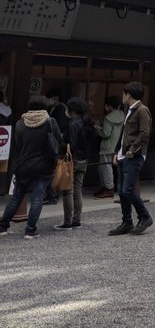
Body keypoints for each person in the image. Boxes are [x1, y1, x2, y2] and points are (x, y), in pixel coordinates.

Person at [0, 95, 62, 239]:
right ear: (45, 107)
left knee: (16, 197)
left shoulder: (20, 123)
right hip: (44, 166)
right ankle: (30, 230)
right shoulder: (50, 122)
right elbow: (58, 141)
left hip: (23, 165)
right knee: (37, 197)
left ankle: (3, 226)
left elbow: (18, 144)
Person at [109, 81, 154, 235]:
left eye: (124, 94)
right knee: (121, 191)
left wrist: (133, 150)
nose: (122, 96)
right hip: (123, 154)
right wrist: (117, 152)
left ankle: (145, 216)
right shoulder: (129, 110)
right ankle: (126, 221)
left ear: (129, 95)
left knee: (127, 190)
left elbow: (144, 133)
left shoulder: (142, 110)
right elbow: (123, 134)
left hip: (133, 155)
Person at [55, 97, 90, 230]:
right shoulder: (86, 122)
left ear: (72, 110)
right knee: (77, 190)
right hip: (83, 160)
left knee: (67, 191)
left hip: (72, 160)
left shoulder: (72, 124)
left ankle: (67, 221)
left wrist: (60, 141)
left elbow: (71, 145)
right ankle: (77, 220)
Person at [94, 95, 124, 199]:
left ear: (109, 106)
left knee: (105, 168)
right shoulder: (122, 115)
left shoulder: (108, 118)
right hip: (115, 146)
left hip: (107, 146)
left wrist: (97, 128)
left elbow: (105, 134)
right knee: (107, 168)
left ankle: (108, 188)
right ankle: (107, 187)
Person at [43, 87, 69, 204]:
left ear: (55, 98)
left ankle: (52, 195)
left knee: (53, 171)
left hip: (56, 144)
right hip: (53, 144)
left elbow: (60, 128)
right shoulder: (53, 108)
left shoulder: (61, 109)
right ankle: (50, 194)